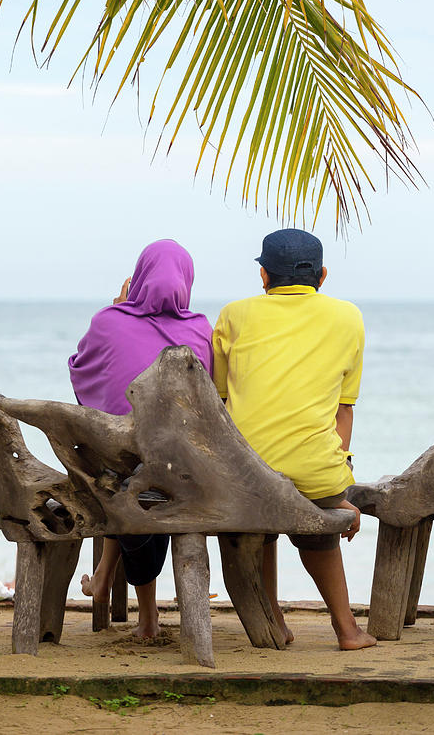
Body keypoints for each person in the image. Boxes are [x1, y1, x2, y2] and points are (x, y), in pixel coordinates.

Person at [212, 228, 376, 651]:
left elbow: (221, 396)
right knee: (318, 529)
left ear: (264, 277)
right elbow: (344, 409)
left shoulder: (233, 315)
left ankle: (275, 624)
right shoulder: (349, 317)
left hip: (245, 473)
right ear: (322, 276)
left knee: (262, 524)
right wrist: (339, 477)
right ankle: (348, 631)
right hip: (316, 472)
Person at [68, 239, 213, 638]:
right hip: (181, 469)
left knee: (126, 473)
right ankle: (131, 606)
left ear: (138, 278)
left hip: (121, 466)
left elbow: (82, 373)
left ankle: (135, 608)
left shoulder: (107, 321)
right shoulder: (199, 328)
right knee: (150, 471)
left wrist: (117, 311)